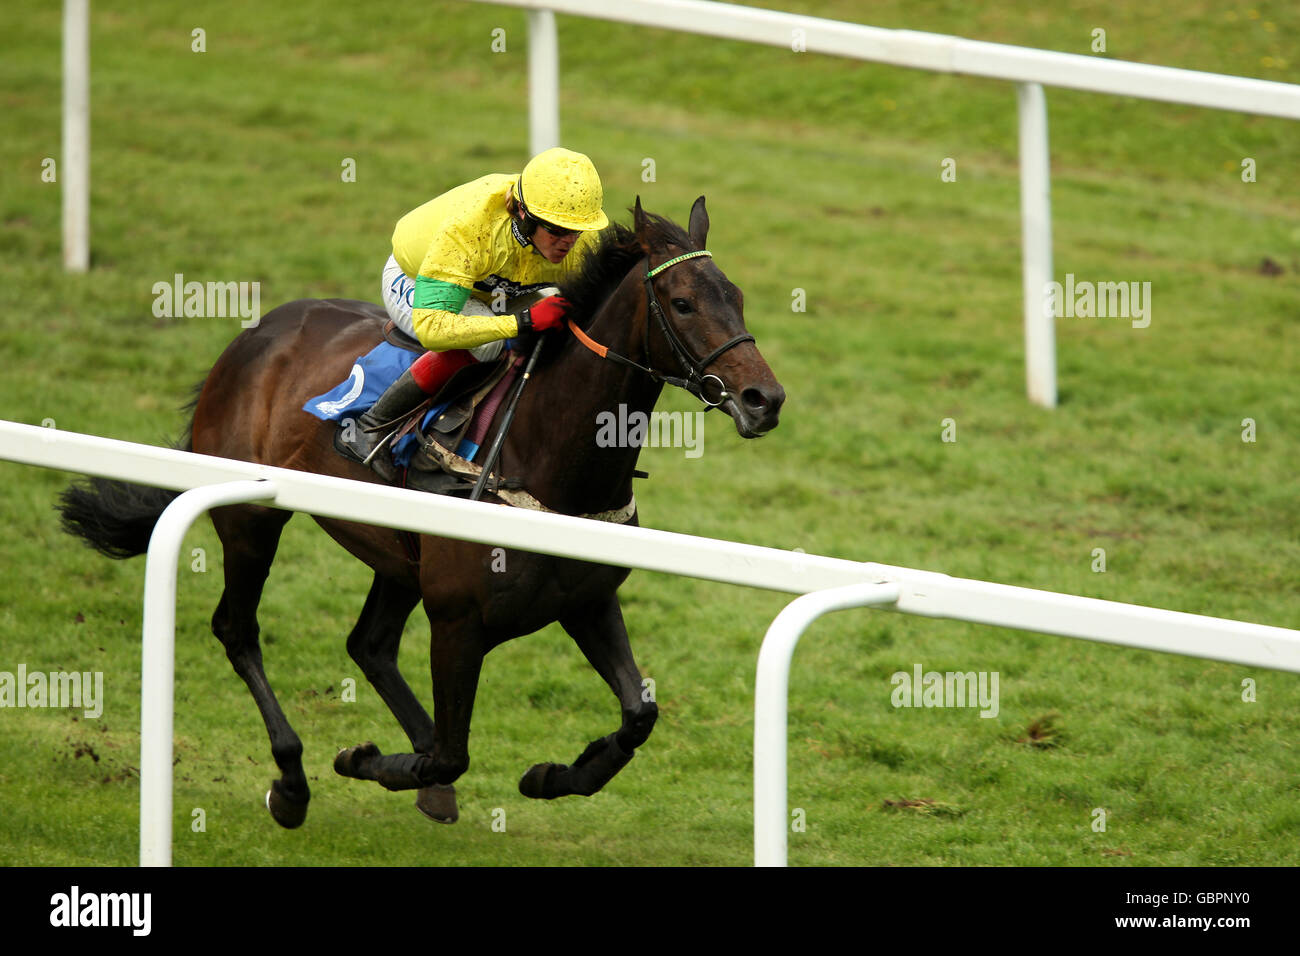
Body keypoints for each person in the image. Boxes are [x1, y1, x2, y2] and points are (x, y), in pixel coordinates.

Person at [338, 147, 610, 476]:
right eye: (557, 231)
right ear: (524, 214)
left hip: (496, 287)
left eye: (576, 231)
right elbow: (433, 328)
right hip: (417, 279)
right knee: (488, 342)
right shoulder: (472, 227)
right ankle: (372, 427)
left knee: (569, 318)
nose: (569, 242)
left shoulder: (575, 234)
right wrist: (520, 322)